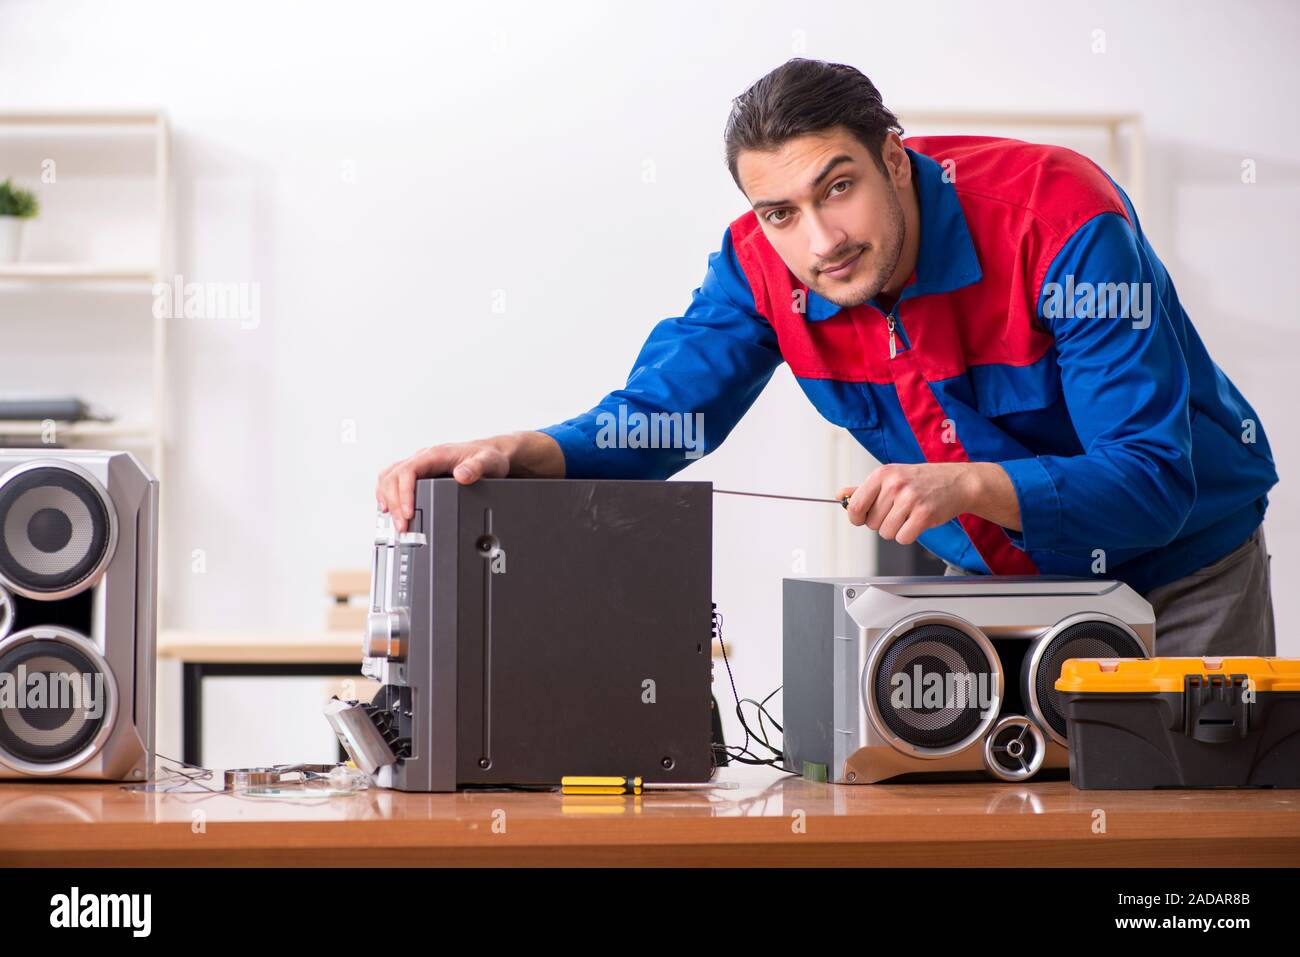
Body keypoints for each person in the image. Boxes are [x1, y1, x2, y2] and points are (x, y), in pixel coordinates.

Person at [376, 59, 1277, 656]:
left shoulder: (1058, 217)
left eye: (837, 188)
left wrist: (968, 485)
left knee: (1176, 846)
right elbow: (661, 416)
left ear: (893, 157)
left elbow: (1152, 482)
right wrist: (518, 450)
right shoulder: (759, 263)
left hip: (1183, 579)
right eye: (780, 213)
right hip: (993, 592)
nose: (820, 241)